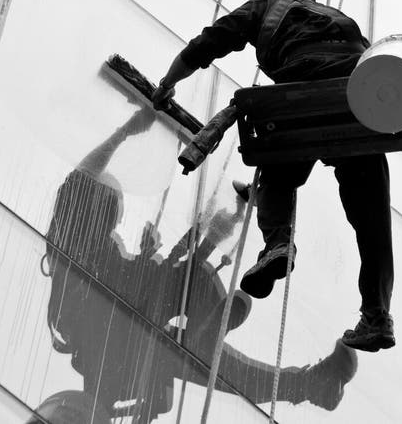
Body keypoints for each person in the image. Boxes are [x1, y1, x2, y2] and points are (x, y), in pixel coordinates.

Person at [38, 97, 357, 422]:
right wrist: (126, 132)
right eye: (110, 207)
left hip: (121, 336)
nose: (114, 220)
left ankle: (308, 384)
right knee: (203, 351)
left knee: (205, 347)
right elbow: (81, 181)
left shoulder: (96, 255)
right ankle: (306, 384)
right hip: (112, 339)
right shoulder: (71, 243)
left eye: (113, 211)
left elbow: (159, 284)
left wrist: (209, 238)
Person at [152, 0, 395, 353]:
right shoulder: (332, 16)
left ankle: (278, 243)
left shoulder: (266, 5)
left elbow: (206, 44)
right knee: (372, 219)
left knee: (279, 162)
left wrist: (167, 82)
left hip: (300, 92)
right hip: (356, 101)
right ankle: (377, 315)